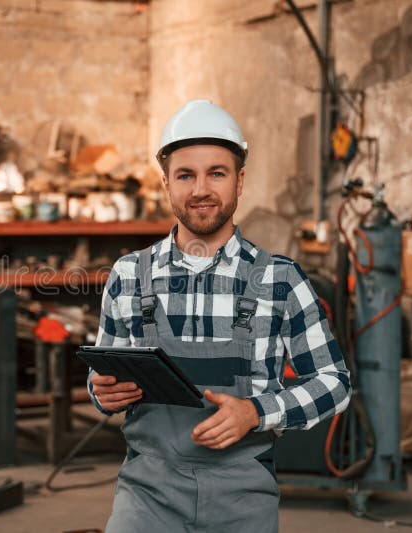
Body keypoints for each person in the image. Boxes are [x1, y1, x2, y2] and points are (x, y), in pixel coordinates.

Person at [88, 99, 352, 532]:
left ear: (239, 180)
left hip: (242, 496)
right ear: (166, 184)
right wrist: (102, 392)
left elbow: (334, 384)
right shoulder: (128, 275)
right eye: (185, 175)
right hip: (147, 494)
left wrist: (257, 412)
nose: (200, 190)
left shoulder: (280, 280)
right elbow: (105, 375)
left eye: (217, 173)